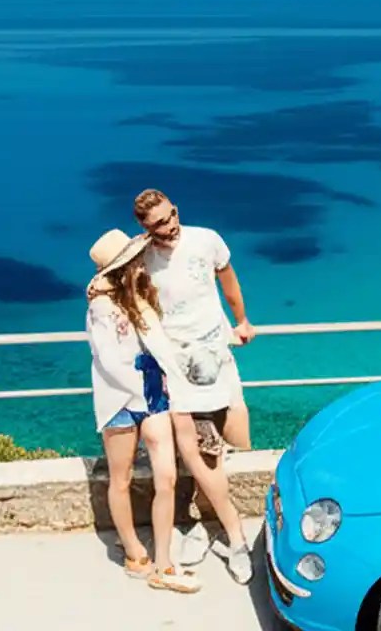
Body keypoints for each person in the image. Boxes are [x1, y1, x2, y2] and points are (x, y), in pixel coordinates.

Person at [132, 188, 255, 583]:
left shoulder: (207, 239)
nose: (169, 227)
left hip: (216, 357)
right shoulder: (142, 259)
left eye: (171, 216)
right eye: (159, 224)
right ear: (145, 228)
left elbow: (229, 282)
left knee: (217, 447)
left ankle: (206, 523)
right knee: (197, 450)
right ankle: (236, 537)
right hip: (177, 368)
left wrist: (243, 321)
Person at [86, 229, 202, 594]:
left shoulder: (140, 295)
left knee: (165, 476)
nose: (141, 262)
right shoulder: (101, 307)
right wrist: (144, 389)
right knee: (119, 480)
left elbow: (159, 343)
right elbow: (108, 359)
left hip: (152, 392)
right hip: (121, 399)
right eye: (134, 259)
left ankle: (164, 561)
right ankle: (136, 552)